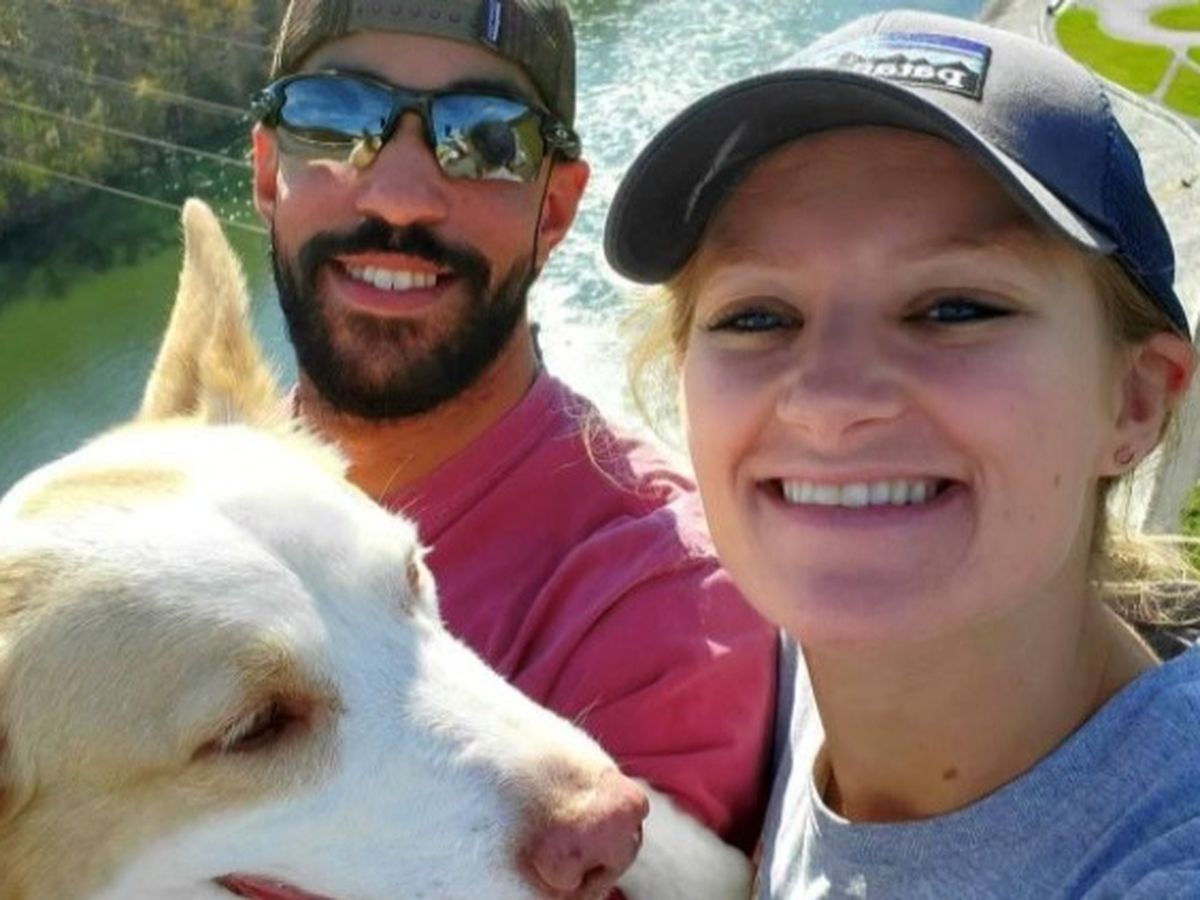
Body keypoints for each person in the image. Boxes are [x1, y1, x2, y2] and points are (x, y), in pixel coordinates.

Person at [606, 10, 1200, 897]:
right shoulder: (804, 683)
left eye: (956, 307)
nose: (830, 402)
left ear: (1137, 399)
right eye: (756, 316)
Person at [249, 0, 778, 872]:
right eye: (334, 119)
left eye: (486, 140)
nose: (399, 197)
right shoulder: (191, 496)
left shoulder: (662, 615)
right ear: (270, 173)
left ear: (555, 210)